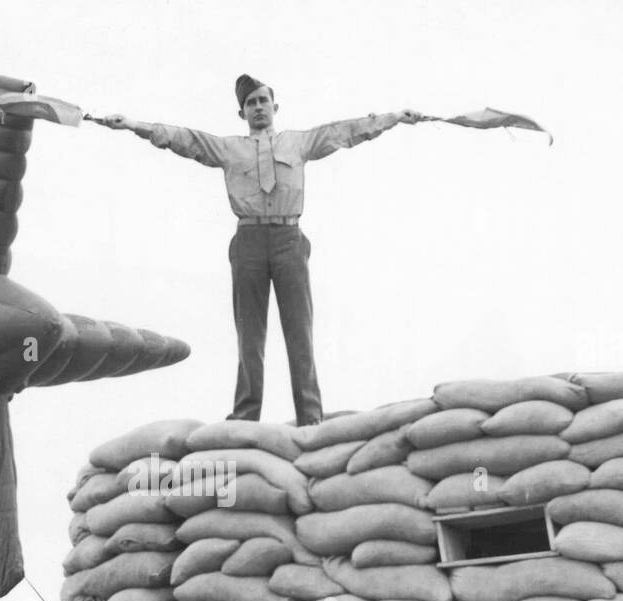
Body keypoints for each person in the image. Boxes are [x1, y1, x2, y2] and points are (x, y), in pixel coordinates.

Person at [104, 77, 423, 426]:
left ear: (275, 106)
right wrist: (134, 125)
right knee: (250, 335)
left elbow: (344, 132)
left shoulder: (298, 143)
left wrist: (393, 117)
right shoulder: (228, 149)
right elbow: (186, 140)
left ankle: (310, 418)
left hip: (289, 238)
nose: (258, 107)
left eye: (262, 100)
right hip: (249, 242)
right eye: (251, 103)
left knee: (299, 331)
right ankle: (245, 415)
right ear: (242, 112)